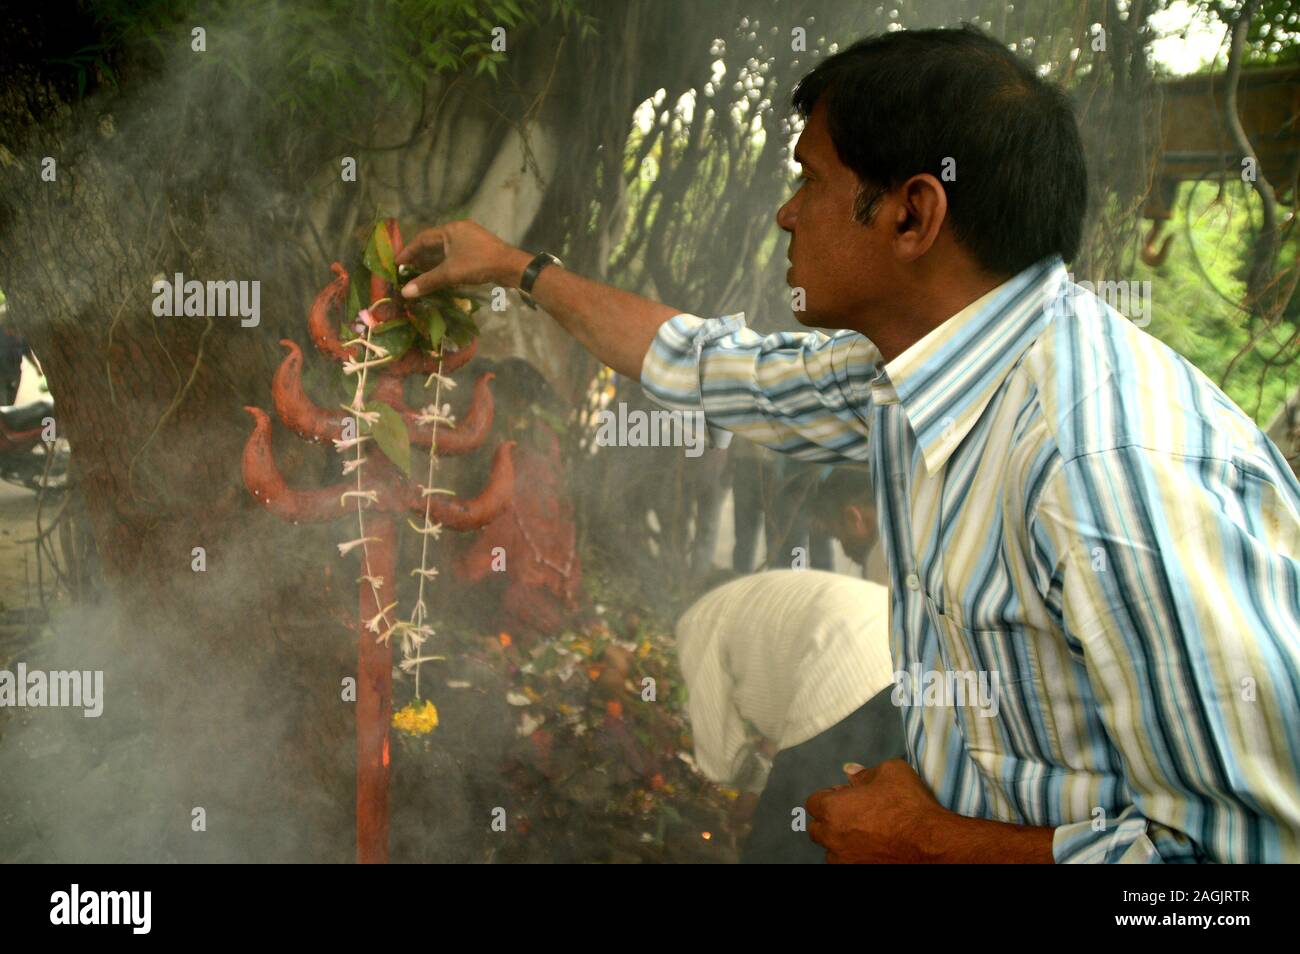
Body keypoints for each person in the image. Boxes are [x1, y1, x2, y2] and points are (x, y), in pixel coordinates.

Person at [394, 25, 1300, 862]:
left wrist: (935, 843)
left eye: (811, 181)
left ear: (913, 215)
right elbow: (705, 363)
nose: (786, 214)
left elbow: (1236, 872)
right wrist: (516, 268)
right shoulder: (904, 376)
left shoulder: (1106, 467)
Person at [676, 568, 897, 863]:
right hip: (910, 671)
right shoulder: (767, 600)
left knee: (787, 839)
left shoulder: (697, 617)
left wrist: (744, 783)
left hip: (846, 680)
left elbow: (714, 728)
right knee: (871, 829)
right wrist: (761, 784)